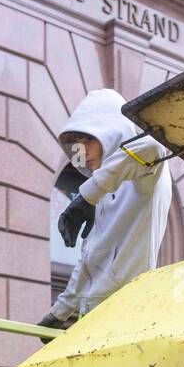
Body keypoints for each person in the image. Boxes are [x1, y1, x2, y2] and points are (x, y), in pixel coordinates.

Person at [39, 89, 172, 329]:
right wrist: (60, 312)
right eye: (77, 144)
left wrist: (87, 196)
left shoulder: (145, 178)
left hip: (129, 314)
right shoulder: (100, 190)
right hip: (94, 317)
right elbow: (91, 259)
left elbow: (154, 146)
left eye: (89, 139)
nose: (83, 151)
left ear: (112, 131)